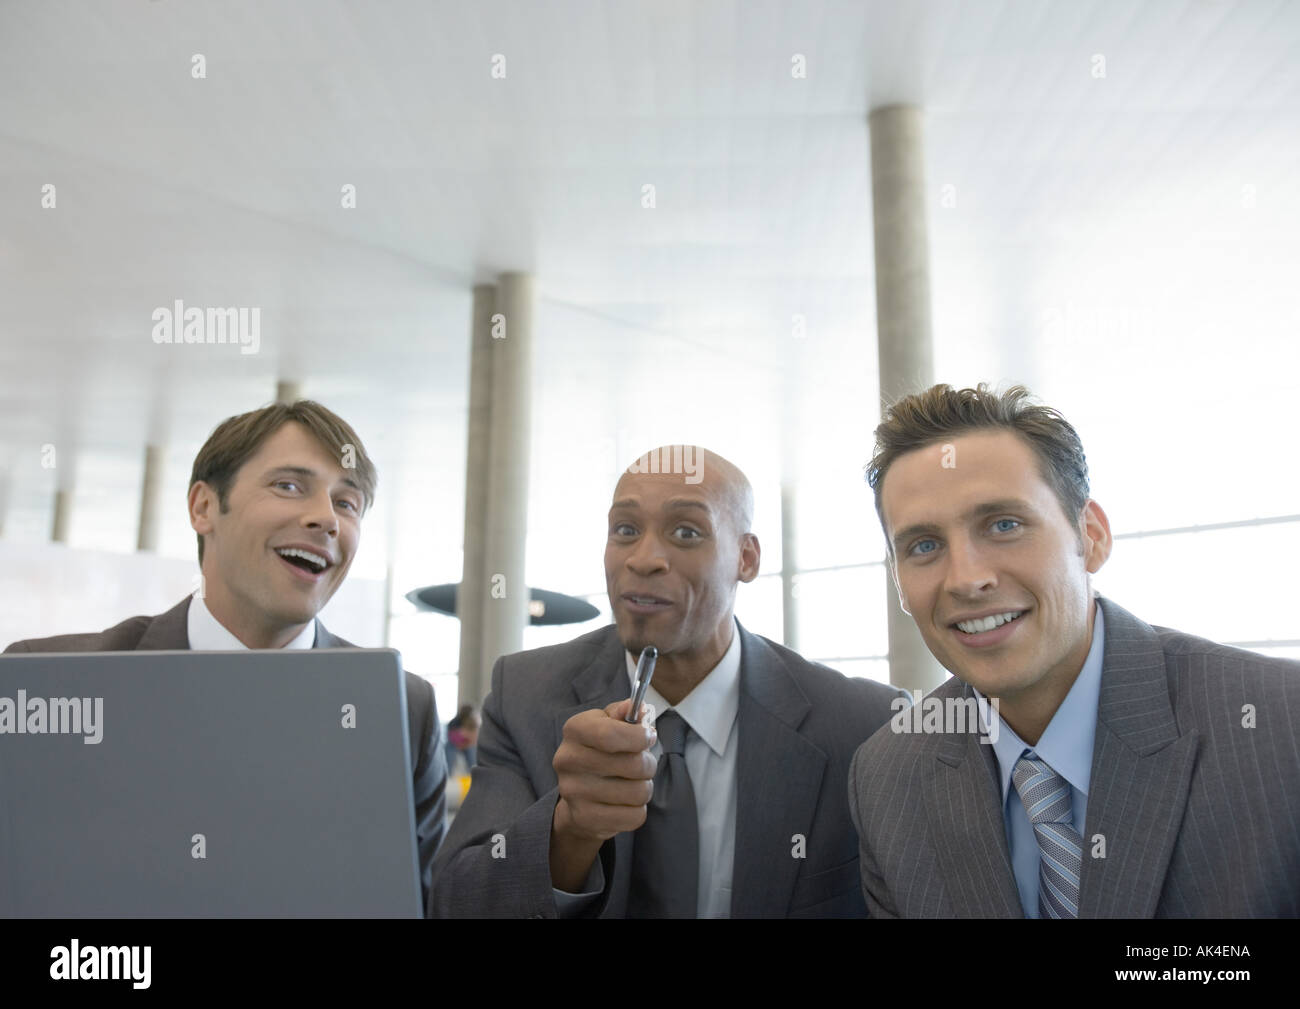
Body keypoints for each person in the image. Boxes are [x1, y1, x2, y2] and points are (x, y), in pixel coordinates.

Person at [848, 383, 1300, 917]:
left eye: (1004, 524)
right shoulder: (886, 777)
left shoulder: (1280, 729)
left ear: (1091, 536)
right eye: (923, 545)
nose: (967, 580)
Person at [4, 400, 447, 910]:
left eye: (347, 503)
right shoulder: (51, 683)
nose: (326, 518)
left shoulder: (399, 709)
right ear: (203, 508)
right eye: (288, 486)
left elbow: (422, 904)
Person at [429, 446, 904, 918]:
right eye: (626, 530)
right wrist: (568, 831)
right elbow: (457, 904)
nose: (644, 559)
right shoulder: (525, 695)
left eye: (685, 532)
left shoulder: (860, 725)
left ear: (746, 558)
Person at [445, 703, 480, 773]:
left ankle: (473, 774)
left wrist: (467, 744)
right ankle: (447, 773)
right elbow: (452, 739)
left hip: (466, 744)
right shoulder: (453, 723)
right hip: (454, 744)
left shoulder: (472, 722)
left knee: (472, 753)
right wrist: (461, 744)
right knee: (449, 753)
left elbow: (473, 740)